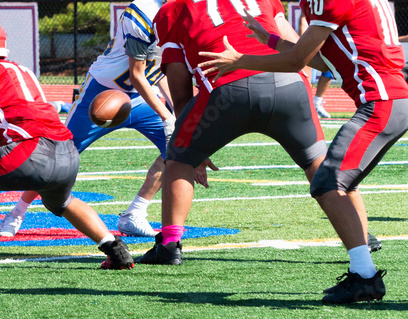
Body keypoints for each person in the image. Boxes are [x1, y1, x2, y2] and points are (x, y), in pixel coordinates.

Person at [197, 0, 408, 304]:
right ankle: (362, 271)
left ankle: (364, 276)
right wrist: (270, 40)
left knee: (328, 182)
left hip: (382, 102)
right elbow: (324, 62)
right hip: (391, 100)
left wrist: (240, 60)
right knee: (339, 182)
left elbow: (297, 61)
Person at [0, 16, 134, 274]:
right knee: (62, 201)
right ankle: (115, 249)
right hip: (67, 151)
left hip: (30, 151)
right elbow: (6, 131)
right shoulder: (22, 70)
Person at [139, 0, 328, 266]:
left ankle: (169, 245)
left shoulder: (171, 10)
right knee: (316, 160)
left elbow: (180, 92)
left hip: (227, 91)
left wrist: (193, 148)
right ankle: (357, 234)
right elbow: (298, 48)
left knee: (178, 158)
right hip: (290, 85)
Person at [0, 0, 176, 238]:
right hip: (102, 94)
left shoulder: (185, 13)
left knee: (176, 149)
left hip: (142, 96)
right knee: (57, 155)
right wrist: (167, 116)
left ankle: (135, 213)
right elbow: (136, 74)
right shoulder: (144, 12)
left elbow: (161, 69)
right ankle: (17, 212)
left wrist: (177, 112)